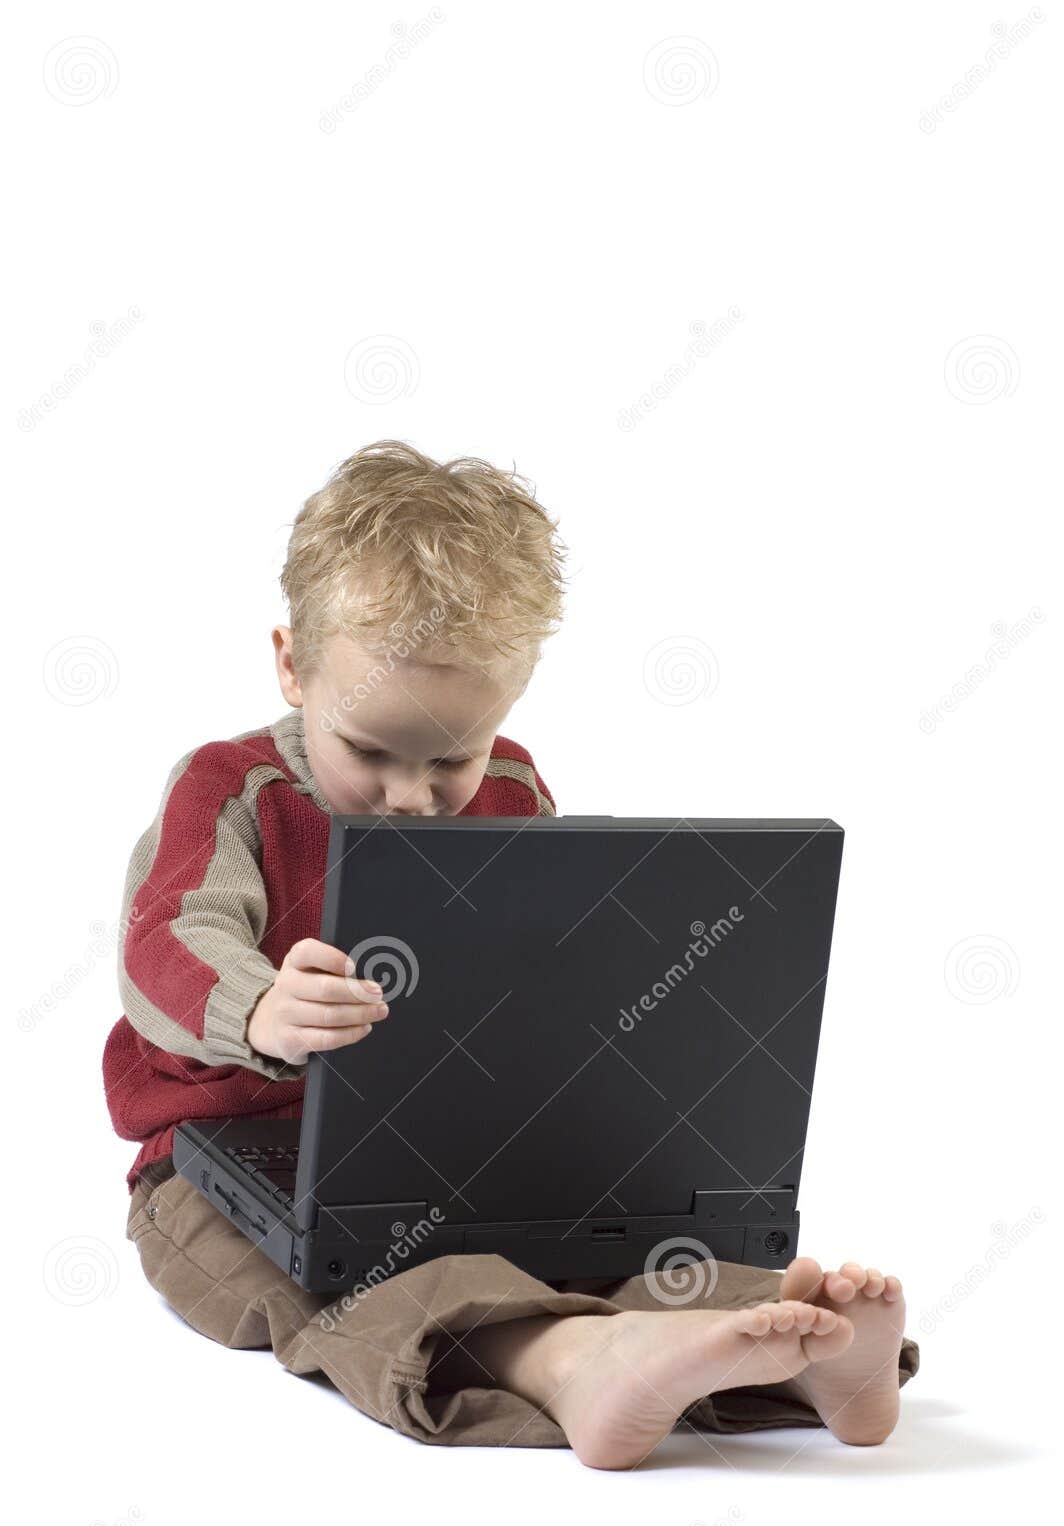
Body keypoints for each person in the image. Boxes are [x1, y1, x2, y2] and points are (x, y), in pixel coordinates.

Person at [105, 440, 919, 1470]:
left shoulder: (516, 793)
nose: (414, 796)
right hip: (216, 1164)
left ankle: (789, 1353)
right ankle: (575, 1366)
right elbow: (166, 943)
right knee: (354, 1285)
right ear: (291, 665)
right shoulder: (232, 789)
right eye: (371, 752)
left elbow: (542, 971)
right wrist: (260, 1006)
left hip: (443, 1151)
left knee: (616, 1238)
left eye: (452, 754)